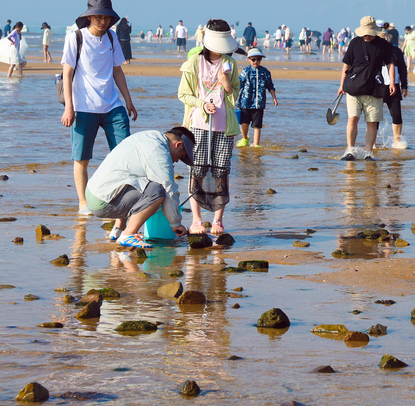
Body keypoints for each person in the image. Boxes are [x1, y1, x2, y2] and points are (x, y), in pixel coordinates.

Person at [61, 0, 139, 216]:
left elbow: (117, 70)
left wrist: (128, 101)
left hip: (112, 106)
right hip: (83, 107)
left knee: (124, 154)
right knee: (82, 158)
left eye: (106, 17)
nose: (102, 21)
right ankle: (83, 203)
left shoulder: (112, 38)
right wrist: (69, 107)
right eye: (98, 17)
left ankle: (118, 200)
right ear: (89, 17)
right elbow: (67, 73)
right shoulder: (75, 38)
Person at [177, 19, 240, 236]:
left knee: (221, 172)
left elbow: (233, 98)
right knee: (198, 170)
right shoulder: (194, 62)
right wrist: (202, 104)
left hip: (224, 127)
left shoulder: (230, 63)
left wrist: (226, 82)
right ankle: (196, 220)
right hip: (198, 125)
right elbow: (183, 94)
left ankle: (218, 220)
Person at [85, 126, 194, 249]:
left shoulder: (148, 136)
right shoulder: (159, 153)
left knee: (142, 181)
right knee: (157, 190)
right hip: (103, 201)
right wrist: (175, 223)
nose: (177, 160)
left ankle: (119, 231)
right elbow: (169, 188)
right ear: (178, 145)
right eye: (181, 156)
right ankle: (128, 234)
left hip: (93, 193)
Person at [338, 15, 396, 160]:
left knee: (372, 122)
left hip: (374, 89)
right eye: (365, 32)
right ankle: (350, 150)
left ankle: (368, 153)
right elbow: (346, 65)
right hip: (353, 88)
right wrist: (341, 85)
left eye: (370, 32)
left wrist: (393, 83)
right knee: (352, 119)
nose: (367, 35)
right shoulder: (354, 43)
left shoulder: (383, 45)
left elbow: (390, 64)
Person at [236, 48, 278, 147]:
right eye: (253, 59)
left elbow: (270, 86)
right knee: (244, 123)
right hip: (245, 102)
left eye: (258, 59)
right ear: (249, 59)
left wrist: (274, 98)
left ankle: (256, 144)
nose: (256, 61)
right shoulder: (245, 71)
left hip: (259, 103)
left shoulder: (265, 72)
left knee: (257, 125)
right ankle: (245, 138)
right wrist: (233, 97)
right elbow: (239, 85)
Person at [381, 31, 409, 149]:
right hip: (378, 86)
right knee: (374, 116)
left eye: (385, 38)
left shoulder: (396, 51)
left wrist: (404, 86)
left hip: (395, 85)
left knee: (396, 114)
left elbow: (402, 68)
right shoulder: (374, 50)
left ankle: (397, 141)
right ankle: (372, 144)